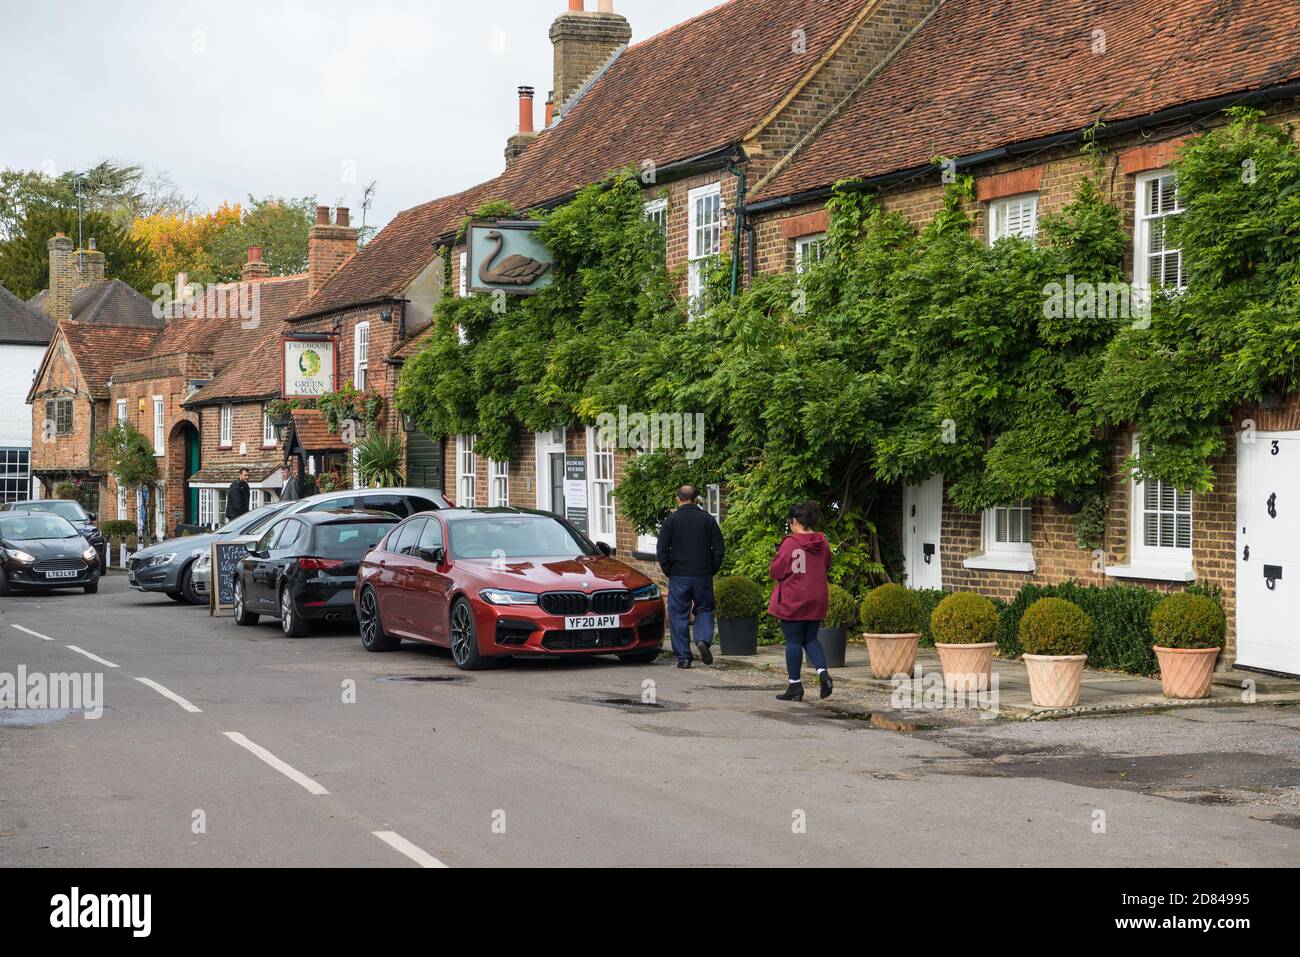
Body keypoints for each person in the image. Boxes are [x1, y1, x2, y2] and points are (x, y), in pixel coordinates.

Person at [768, 500, 833, 701]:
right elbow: (827, 565)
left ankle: (795, 685)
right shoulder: (823, 542)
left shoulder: (791, 543)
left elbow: (776, 571)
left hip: (794, 598)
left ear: (794, 521)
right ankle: (823, 673)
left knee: (794, 641)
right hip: (817, 596)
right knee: (811, 639)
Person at [656, 485, 725, 668]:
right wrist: (712, 568)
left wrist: (669, 570)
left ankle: (684, 657)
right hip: (702, 574)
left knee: (679, 615)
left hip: (679, 575)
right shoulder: (708, 520)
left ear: (678, 499)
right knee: (704, 609)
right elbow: (719, 548)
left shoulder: (671, 521)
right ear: (697, 499)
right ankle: (702, 640)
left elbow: (661, 550)